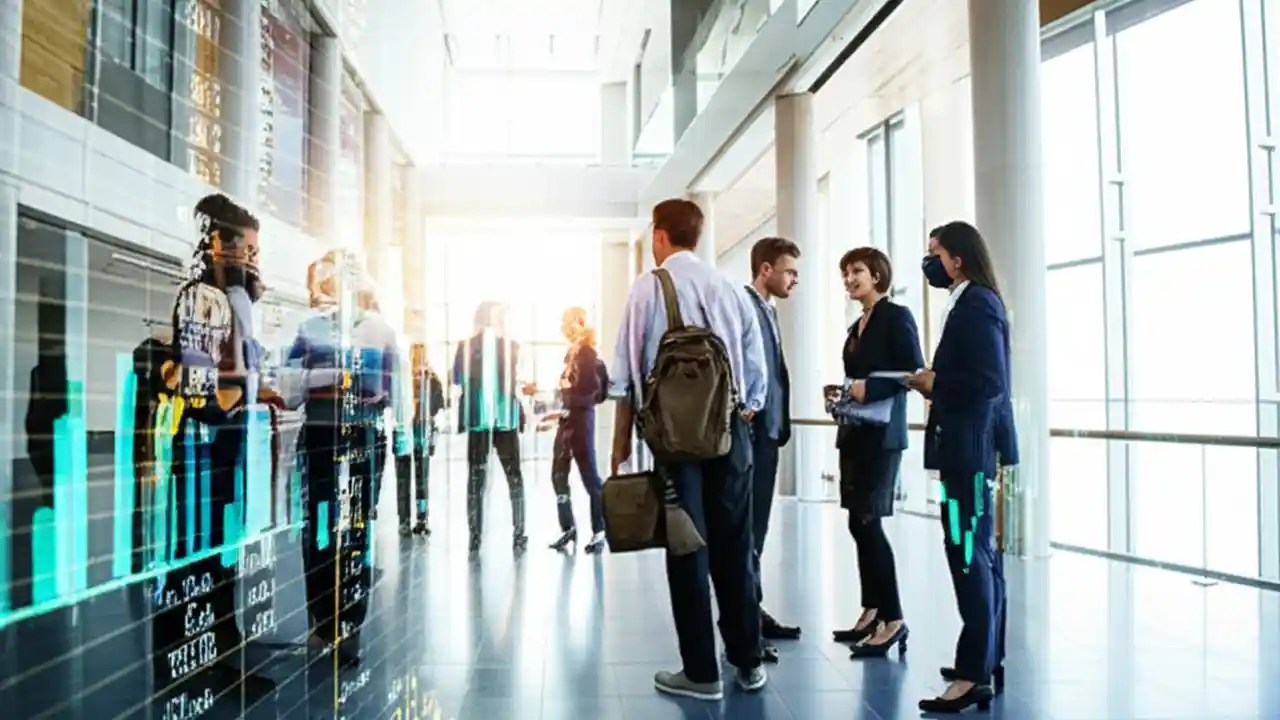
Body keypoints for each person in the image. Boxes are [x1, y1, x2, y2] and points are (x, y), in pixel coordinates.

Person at [609, 198, 769, 701]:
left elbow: (624, 374)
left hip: (677, 442)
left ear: (660, 236)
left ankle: (701, 672)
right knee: (736, 548)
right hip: (731, 434)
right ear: (696, 236)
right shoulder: (728, 288)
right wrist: (742, 414)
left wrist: (621, 444)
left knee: (687, 548)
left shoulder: (648, 288)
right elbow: (755, 371)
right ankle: (748, 662)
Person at [906, 221, 1012, 713]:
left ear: (957, 259)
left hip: (967, 456)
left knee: (967, 554)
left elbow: (989, 382)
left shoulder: (976, 305)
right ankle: (987, 658)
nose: (930, 262)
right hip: (969, 452)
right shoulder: (975, 301)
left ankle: (974, 675)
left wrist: (935, 385)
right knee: (979, 555)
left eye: (935, 253)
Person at [829, 247, 923, 659]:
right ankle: (872, 611)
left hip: (882, 436)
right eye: (846, 273)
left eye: (858, 272)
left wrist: (871, 389)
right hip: (855, 432)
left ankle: (894, 618)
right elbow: (856, 376)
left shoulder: (895, 316)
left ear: (878, 275)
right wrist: (843, 392)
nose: (850, 279)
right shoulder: (857, 324)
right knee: (857, 524)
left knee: (869, 523)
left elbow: (915, 372)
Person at [742, 236, 801, 663]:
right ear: (766, 270)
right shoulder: (744, 306)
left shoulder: (769, 310)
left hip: (768, 435)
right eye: (789, 271)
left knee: (757, 532)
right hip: (751, 436)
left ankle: (753, 612)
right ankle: (745, 626)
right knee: (745, 533)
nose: (793, 279)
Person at [454, 301, 531, 555]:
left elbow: (456, 377)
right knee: (513, 477)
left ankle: (474, 536)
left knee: (476, 479)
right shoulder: (510, 347)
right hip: (503, 418)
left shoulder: (467, 347)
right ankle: (519, 534)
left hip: (480, 417)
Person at [547, 307, 607, 553]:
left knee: (589, 476)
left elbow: (591, 392)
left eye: (566, 321)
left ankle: (599, 530)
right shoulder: (572, 354)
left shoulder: (586, 353)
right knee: (558, 474)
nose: (563, 326)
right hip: (568, 421)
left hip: (580, 421)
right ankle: (568, 527)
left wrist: (569, 399)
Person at [395, 342, 443, 536]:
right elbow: (439, 406)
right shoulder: (432, 379)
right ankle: (422, 519)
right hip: (422, 430)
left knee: (403, 478)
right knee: (422, 478)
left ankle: (404, 521)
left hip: (404, 430)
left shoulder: (402, 378)